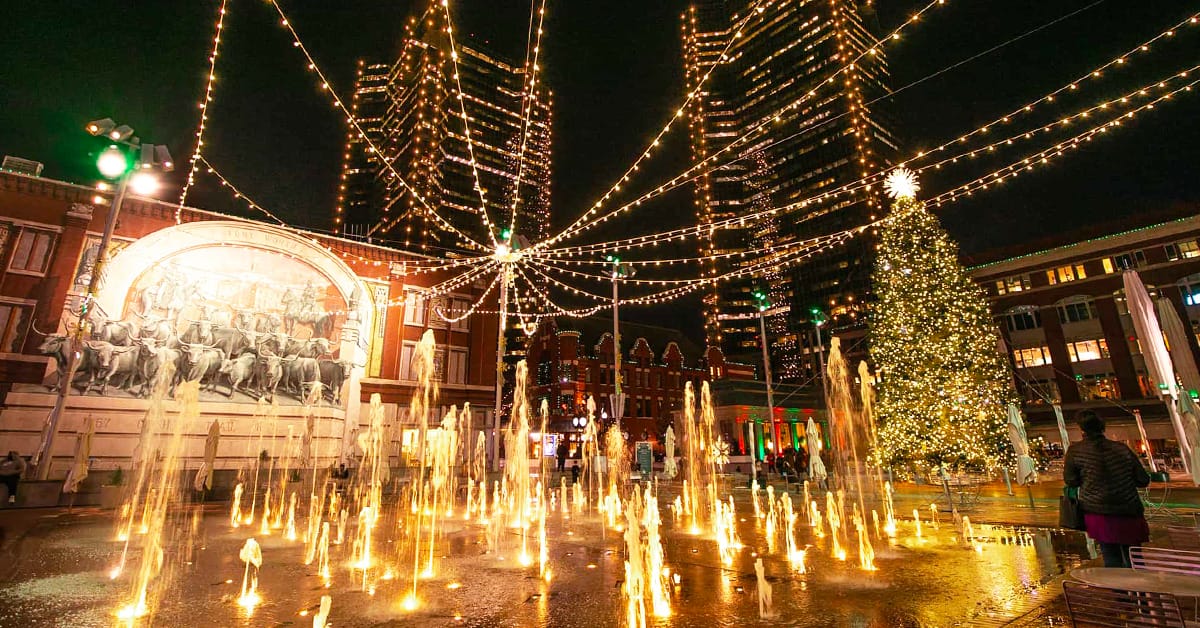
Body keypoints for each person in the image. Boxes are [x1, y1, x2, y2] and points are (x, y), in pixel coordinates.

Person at [1063, 410, 1150, 568]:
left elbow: (1071, 481)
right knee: (1135, 559)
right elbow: (1143, 479)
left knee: (1111, 557)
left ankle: (1118, 591)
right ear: (1103, 427)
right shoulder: (1121, 449)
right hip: (1129, 510)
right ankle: (1141, 591)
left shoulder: (1075, 451)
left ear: (1082, 429)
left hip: (1098, 513)